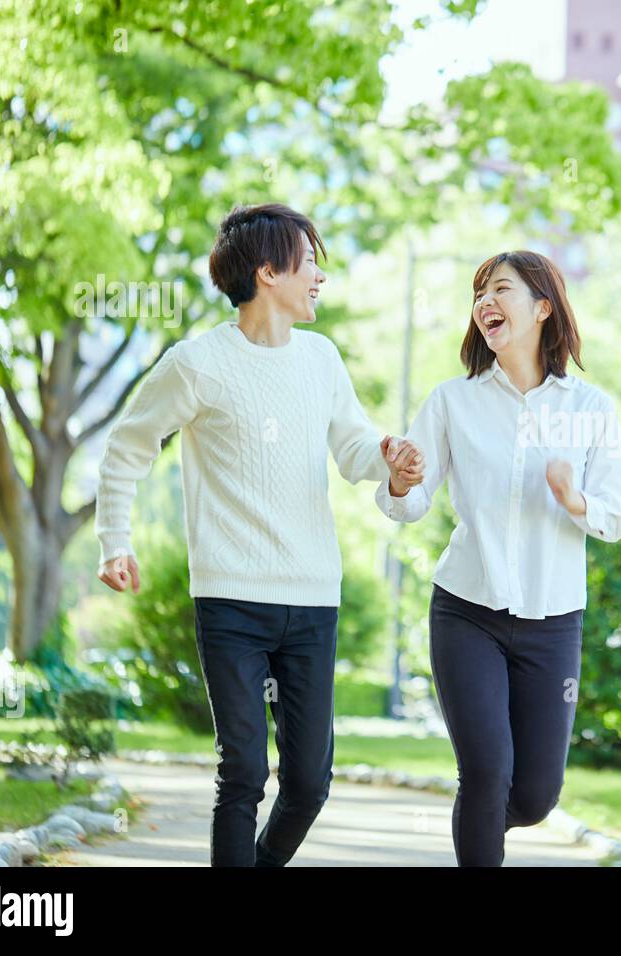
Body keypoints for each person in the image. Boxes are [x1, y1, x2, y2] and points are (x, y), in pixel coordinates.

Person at [94, 202, 416, 866]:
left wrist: (392, 463)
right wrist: (113, 539)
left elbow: (356, 452)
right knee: (242, 774)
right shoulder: (198, 364)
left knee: (308, 784)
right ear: (269, 271)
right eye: (311, 262)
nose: (320, 278)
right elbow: (127, 446)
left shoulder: (322, 360)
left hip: (313, 601)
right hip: (232, 600)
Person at [377, 250, 621, 866]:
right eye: (479, 294)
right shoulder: (451, 401)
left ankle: (482, 824)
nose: (485, 303)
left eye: (501, 290)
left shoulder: (591, 409)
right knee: (486, 773)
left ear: (543, 307)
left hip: (553, 620)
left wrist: (575, 501)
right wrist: (401, 482)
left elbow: (616, 517)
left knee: (536, 795)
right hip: (467, 611)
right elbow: (407, 507)